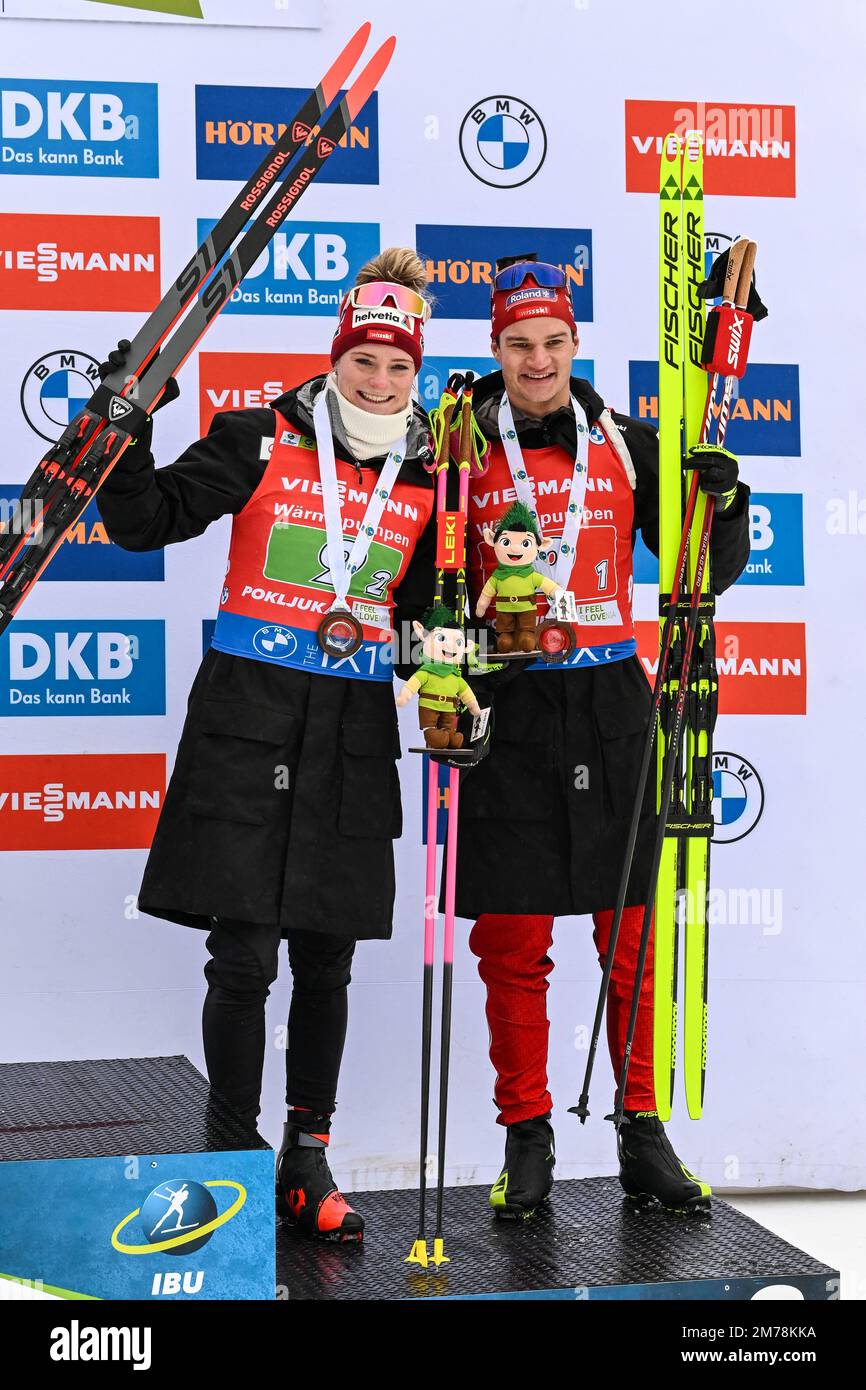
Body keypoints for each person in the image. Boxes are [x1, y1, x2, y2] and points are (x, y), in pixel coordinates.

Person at [97, 248, 437, 1243]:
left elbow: (425, 624)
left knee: (326, 959)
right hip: (248, 717)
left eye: (396, 366)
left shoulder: (428, 479)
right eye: (362, 359)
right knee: (240, 956)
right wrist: (130, 432)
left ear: (416, 373)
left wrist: (459, 680)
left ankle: (306, 1157)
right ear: (336, 354)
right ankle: (227, 1160)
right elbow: (143, 521)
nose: (377, 381)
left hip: (351, 730)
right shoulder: (257, 439)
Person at [455, 257, 750, 1218]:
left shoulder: (625, 442)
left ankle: (642, 1131)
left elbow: (706, 569)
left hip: (616, 703)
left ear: (573, 343)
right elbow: (421, 570)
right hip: (508, 701)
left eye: (551, 342)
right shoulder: (457, 442)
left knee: (632, 937)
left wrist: (722, 496)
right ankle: (526, 1136)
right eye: (516, 343)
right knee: (512, 939)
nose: (536, 360)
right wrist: (448, 657)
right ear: (495, 347)